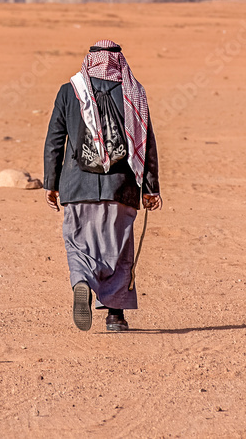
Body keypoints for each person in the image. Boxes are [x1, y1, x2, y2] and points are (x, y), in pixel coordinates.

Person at [43, 40, 162, 332]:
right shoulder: (133, 93)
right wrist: (150, 188)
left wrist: (51, 182)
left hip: (76, 186)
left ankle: (82, 281)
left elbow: (55, 141)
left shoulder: (69, 91)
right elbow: (145, 143)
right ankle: (115, 316)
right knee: (118, 248)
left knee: (78, 243)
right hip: (120, 188)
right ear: (119, 62)